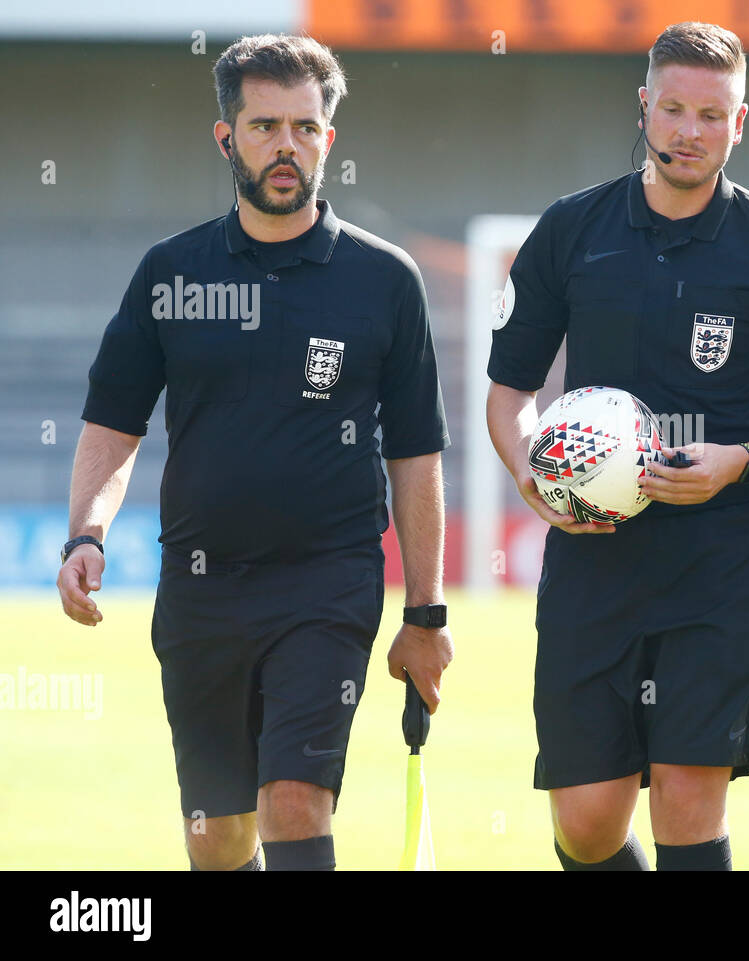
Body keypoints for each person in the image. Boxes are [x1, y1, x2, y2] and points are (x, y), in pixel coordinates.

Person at [55, 34, 453, 871]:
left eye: (305, 128)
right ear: (226, 138)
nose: (287, 145)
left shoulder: (384, 280)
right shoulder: (171, 272)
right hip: (200, 587)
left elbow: (416, 455)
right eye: (265, 126)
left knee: (294, 805)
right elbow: (113, 422)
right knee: (217, 835)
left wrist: (425, 615)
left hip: (329, 579)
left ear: (329, 140)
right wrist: (87, 533)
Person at [486, 22, 749, 871]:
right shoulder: (573, 229)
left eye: (712, 114)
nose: (691, 130)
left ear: (740, 122)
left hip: (720, 559)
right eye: (676, 108)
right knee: (586, 823)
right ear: (645, 106)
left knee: (688, 801)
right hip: (594, 552)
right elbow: (511, 394)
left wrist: (741, 461)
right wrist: (529, 472)